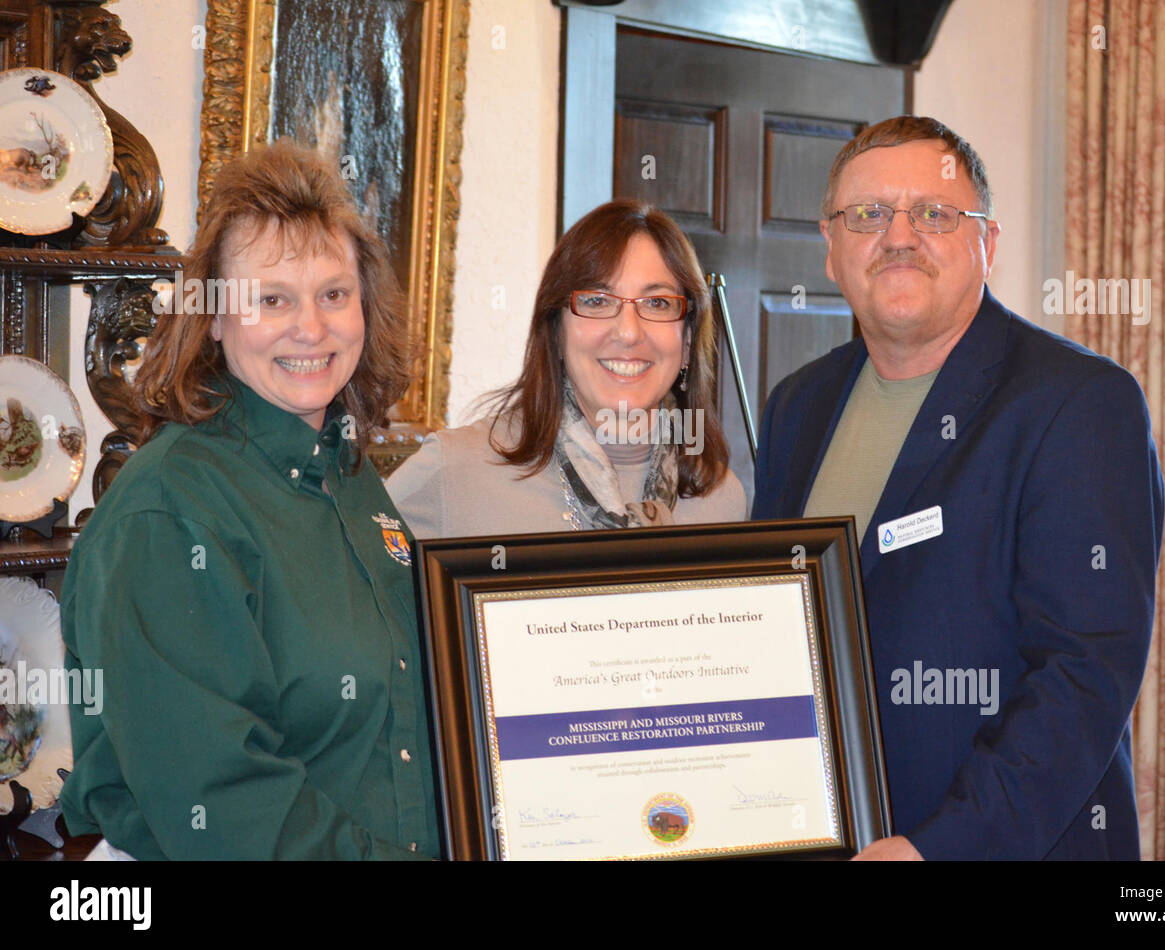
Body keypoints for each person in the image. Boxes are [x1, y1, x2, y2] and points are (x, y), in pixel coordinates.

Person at [752, 116, 1164, 860]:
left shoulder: (1078, 403)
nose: (899, 235)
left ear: (988, 244)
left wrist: (937, 849)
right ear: (831, 247)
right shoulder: (796, 406)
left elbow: (1083, 675)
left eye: (934, 214)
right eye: (869, 215)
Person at [59, 141, 440, 860]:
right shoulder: (169, 512)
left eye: (334, 293)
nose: (311, 326)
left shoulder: (352, 475)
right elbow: (224, 804)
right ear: (213, 320)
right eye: (272, 299)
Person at [387, 199, 746, 536]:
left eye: (657, 302)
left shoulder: (722, 501)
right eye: (596, 301)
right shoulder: (453, 473)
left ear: (686, 342)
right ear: (556, 330)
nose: (628, 332)